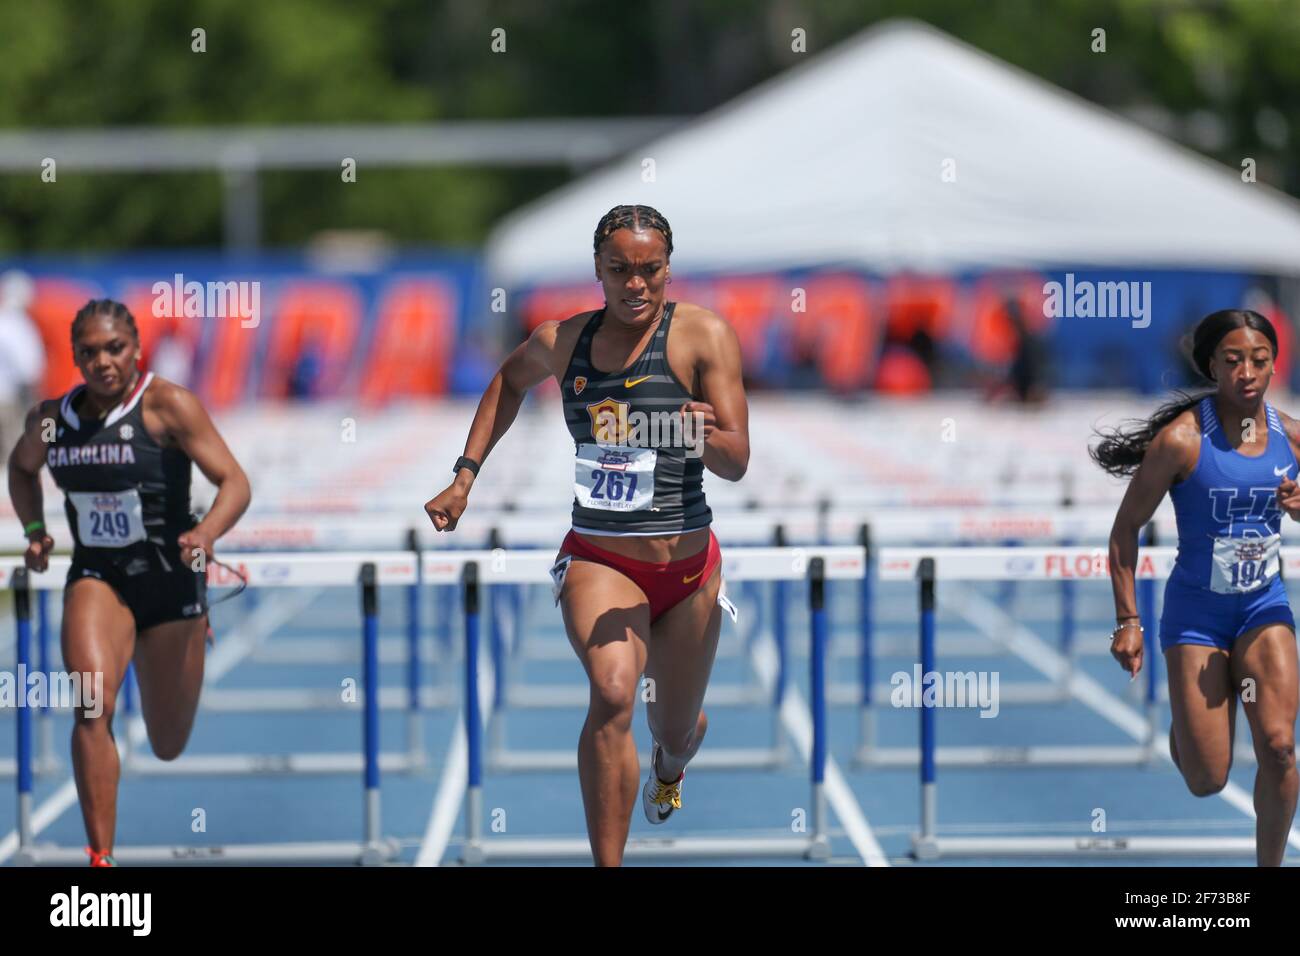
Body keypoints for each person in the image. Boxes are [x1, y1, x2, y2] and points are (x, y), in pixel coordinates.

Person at [424, 204, 749, 866]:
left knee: (676, 727)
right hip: (601, 559)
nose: (637, 286)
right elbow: (507, 384)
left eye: (650, 271)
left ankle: (671, 764)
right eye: (620, 270)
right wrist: (464, 476)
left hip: (688, 572)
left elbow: (738, 461)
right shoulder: (561, 341)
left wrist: (702, 434)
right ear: (597, 271)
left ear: (667, 268)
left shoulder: (703, 337)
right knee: (611, 692)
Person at [7, 299, 251, 866]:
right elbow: (21, 468)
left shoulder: (168, 405)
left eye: (113, 348)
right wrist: (37, 529)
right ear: (74, 357)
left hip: (171, 582)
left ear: (136, 349)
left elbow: (234, 481)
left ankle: (189, 636)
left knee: (167, 744)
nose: (102, 362)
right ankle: (101, 862)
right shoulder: (52, 417)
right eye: (88, 353)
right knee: (92, 705)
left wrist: (208, 533)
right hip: (100, 576)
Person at [1093, 308, 1299, 866]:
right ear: (1212, 366)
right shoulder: (1181, 442)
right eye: (1233, 361)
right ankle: (1187, 733)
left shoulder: (1293, 438)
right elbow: (1124, 530)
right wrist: (1127, 622)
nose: (1248, 373)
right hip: (1196, 618)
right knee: (1207, 779)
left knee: (1280, 748)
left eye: (1260, 361)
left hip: (1263, 608)